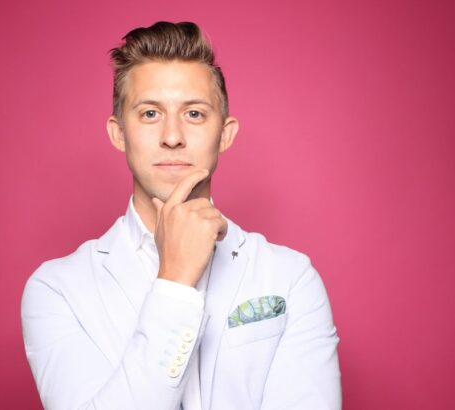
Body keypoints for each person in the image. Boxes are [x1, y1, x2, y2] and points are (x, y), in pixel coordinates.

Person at [21, 21, 341, 410]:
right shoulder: (57, 290)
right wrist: (175, 280)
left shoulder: (291, 278)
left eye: (193, 113)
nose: (172, 136)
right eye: (150, 113)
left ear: (225, 133)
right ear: (119, 133)